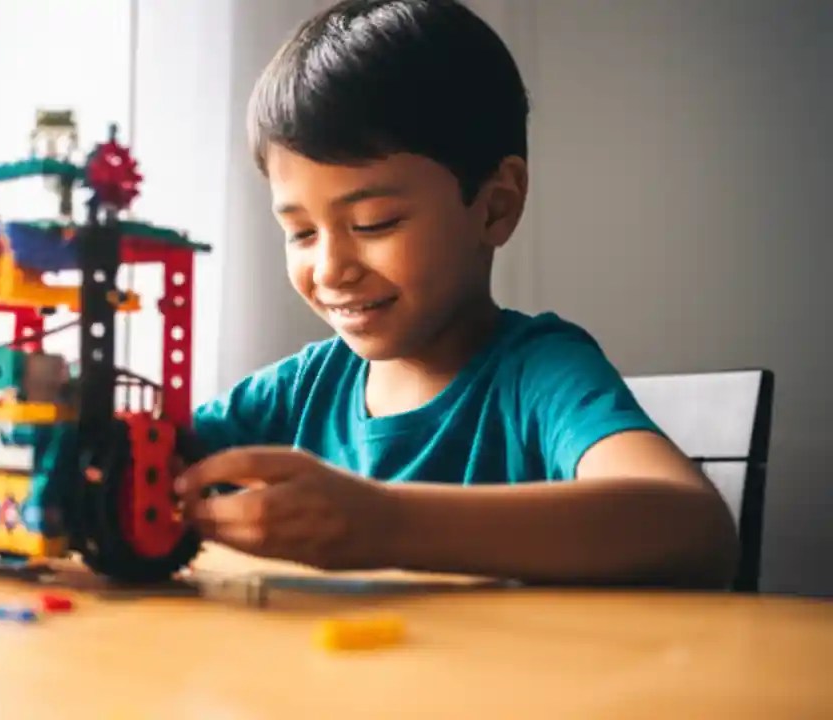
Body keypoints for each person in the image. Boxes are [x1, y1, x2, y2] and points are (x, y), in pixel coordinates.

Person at [175, 0, 737, 587]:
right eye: (301, 233)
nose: (331, 268)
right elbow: (148, 466)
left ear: (495, 205)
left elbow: (696, 530)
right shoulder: (295, 393)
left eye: (373, 224)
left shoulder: (537, 374)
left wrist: (386, 524)